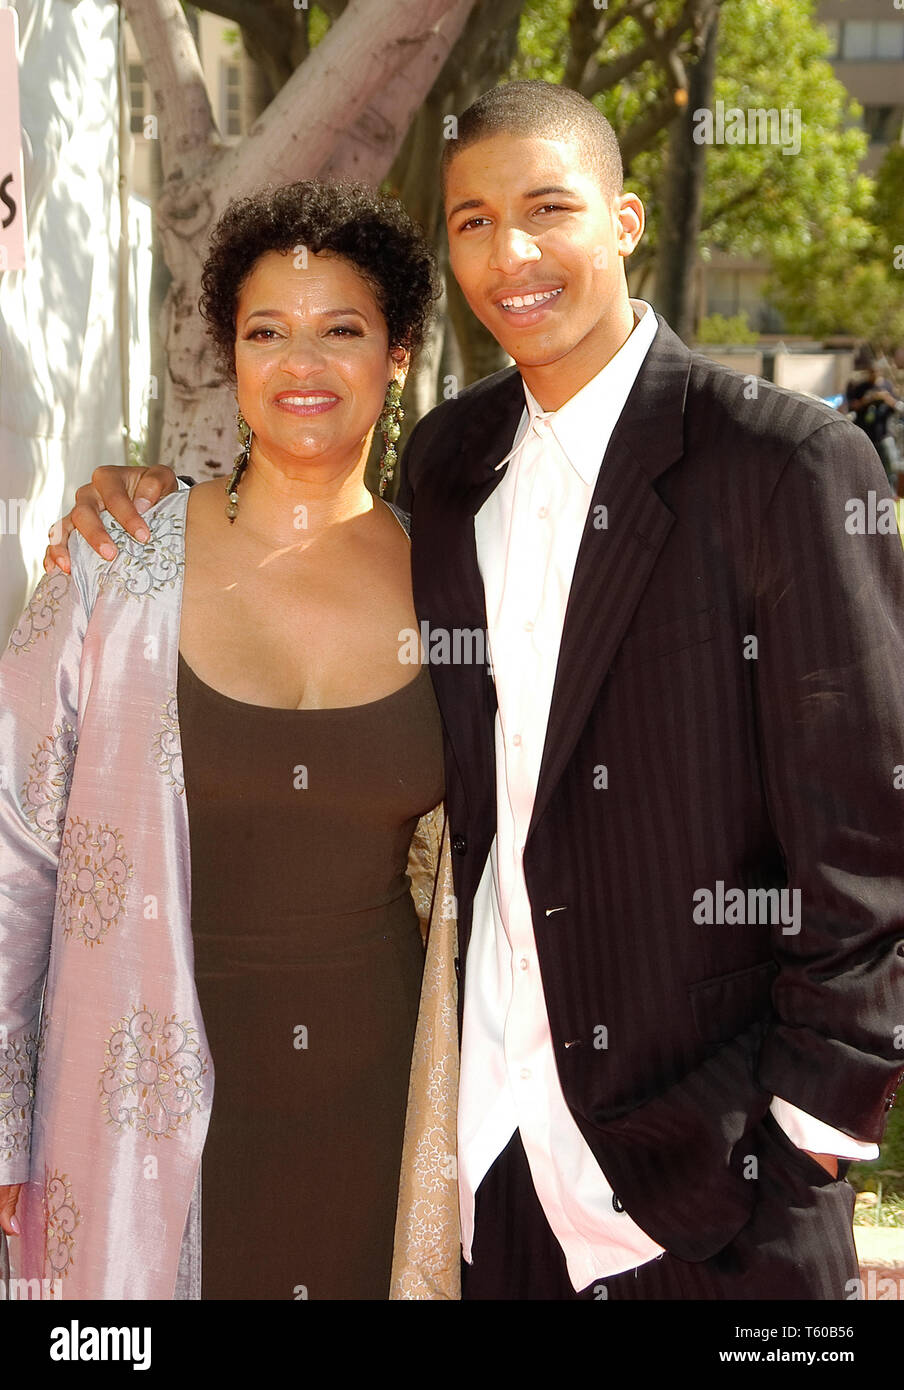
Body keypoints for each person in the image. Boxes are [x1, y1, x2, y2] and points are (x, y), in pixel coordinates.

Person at [43, 81, 904, 1301]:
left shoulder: (787, 463)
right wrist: (138, 498)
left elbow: (867, 834)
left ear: (623, 219)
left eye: (546, 209)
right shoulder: (452, 462)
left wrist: (808, 1124)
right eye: (472, 222)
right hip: (480, 1165)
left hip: (709, 1185)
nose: (512, 253)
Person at [0, 181, 460, 1301]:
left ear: (397, 353)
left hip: (383, 1093)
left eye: (340, 329)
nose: (301, 363)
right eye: (267, 331)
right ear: (231, 355)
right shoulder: (115, 560)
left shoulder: (459, 575)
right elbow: (13, 846)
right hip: (132, 1100)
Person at [843, 352, 904, 484]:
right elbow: (851, 406)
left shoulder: (887, 386)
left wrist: (886, 398)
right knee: (864, 468)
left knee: (890, 467)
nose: (874, 374)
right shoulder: (861, 387)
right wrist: (868, 399)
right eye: (872, 371)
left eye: (877, 371)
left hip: (884, 434)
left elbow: (898, 406)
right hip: (866, 435)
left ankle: (890, 496)